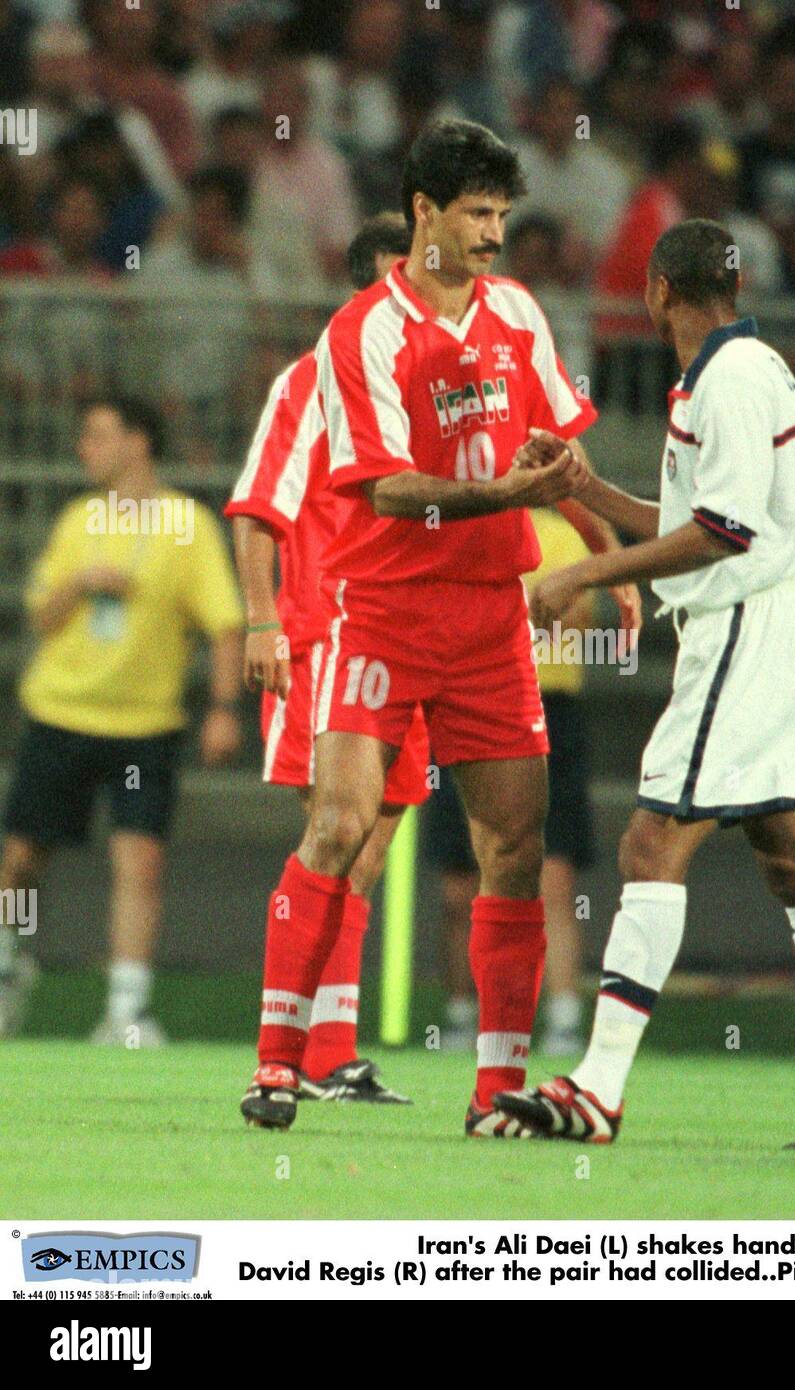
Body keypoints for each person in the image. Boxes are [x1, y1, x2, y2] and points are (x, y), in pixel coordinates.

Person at [238, 119, 601, 1135]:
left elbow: (552, 451)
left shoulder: (519, 312)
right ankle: (278, 1060)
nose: (493, 232)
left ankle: (495, 1092)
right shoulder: (365, 331)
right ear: (423, 212)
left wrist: (604, 548)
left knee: (515, 847)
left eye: (502, 213)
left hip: (490, 619)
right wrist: (514, 499)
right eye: (477, 212)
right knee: (341, 825)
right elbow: (396, 493)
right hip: (384, 613)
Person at [495, 219, 795, 1149]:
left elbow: (725, 535)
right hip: (786, 621)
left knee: (650, 841)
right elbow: (693, 520)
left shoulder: (730, 380)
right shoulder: (738, 371)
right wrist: (584, 489)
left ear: (659, 289)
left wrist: (587, 573)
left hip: (749, 622)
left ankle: (597, 1087)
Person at [227, 212, 424, 1105]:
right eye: (389, 279)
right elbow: (257, 505)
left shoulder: (424, 392)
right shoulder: (309, 380)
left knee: (369, 849)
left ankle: (328, 1053)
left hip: (404, 644)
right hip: (319, 639)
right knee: (333, 833)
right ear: (360, 289)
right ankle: (301, 1047)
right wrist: (262, 622)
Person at [0, 396, 244, 1041]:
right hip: (61, 713)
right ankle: (5, 959)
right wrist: (80, 583)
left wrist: (223, 708)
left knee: (140, 862)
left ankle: (127, 1007)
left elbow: (224, 623)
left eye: (98, 435)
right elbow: (42, 618)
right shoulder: (78, 518)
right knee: (21, 860)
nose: (85, 448)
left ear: (139, 442)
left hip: (144, 725)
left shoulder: (187, 524)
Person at [426, 504, 612, 1058]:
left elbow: (576, 621)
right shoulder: (461, 529)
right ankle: (461, 1018)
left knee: (552, 878)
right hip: (462, 703)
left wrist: (491, 616)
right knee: (460, 884)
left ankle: (561, 1019)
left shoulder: (560, 536)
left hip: (545, 710)